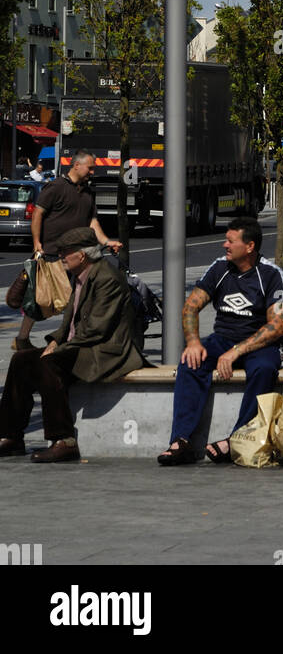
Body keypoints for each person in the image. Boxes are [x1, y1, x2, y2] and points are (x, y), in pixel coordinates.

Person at [0, 228, 145, 462]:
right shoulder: (79, 275)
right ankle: (11, 436)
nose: (61, 257)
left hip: (105, 350)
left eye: (65, 252)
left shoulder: (106, 278)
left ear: (83, 255)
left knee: (49, 364)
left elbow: (97, 329)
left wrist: (59, 348)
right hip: (81, 344)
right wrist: (57, 339)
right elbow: (70, 322)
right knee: (21, 360)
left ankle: (64, 440)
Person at [157, 219, 283, 466]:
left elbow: (276, 326)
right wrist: (194, 342)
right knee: (190, 362)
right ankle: (181, 440)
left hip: (259, 345)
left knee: (264, 369)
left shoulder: (272, 275)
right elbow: (190, 307)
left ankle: (235, 440)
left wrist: (236, 351)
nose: (224, 244)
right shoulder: (220, 268)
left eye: (230, 241)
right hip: (222, 339)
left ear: (249, 246)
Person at [14, 151, 121, 352]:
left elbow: (92, 222)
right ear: (76, 166)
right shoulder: (56, 187)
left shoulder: (88, 192)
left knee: (76, 298)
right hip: (53, 252)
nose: (92, 171)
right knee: (42, 299)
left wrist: (107, 241)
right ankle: (23, 338)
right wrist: (37, 242)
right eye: (90, 167)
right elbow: (38, 213)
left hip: (80, 256)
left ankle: (66, 337)